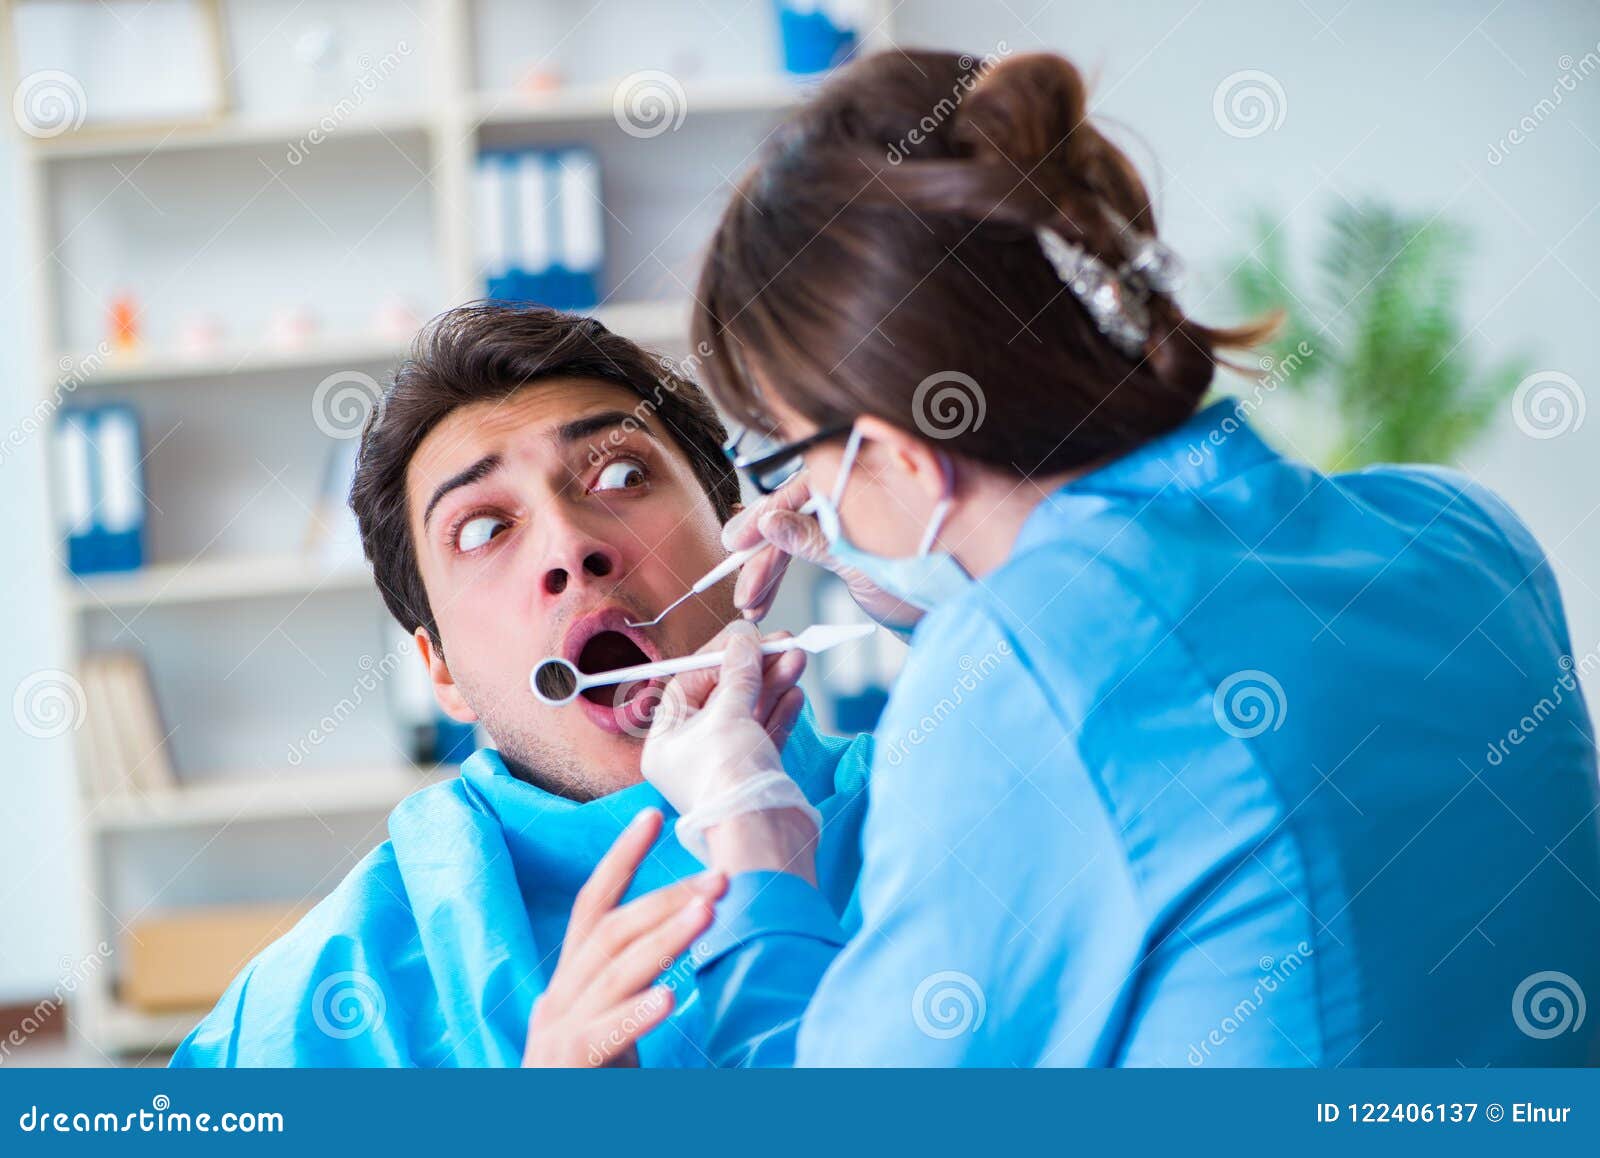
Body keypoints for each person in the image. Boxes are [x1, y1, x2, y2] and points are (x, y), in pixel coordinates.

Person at [631, 49, 1600, 1066]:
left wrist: (751, 841)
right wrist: (937, 598)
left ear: (897, 456)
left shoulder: (1030, 667)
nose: (792, 495)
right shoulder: (1455, 528)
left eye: (790, 454)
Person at [171, 305, 875, 1067]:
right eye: (482, 528)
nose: (570, 545)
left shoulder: (960, 799)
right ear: (441, 670)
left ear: (742, 536)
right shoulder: (314, 1007)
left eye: (621, 474)